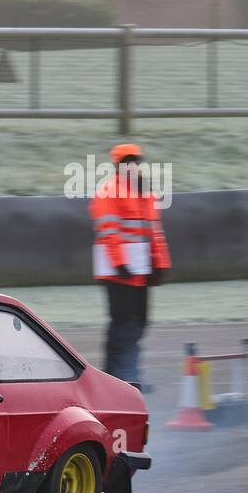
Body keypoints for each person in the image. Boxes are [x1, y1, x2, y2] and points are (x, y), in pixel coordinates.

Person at [89, 143, 171, 387]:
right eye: (127, 162)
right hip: (118, 274)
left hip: (139, 272)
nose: (132, 166)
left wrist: (160, 264)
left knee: (140, 322)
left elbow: (154, 232)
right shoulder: (108, 192)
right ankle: (116, 377)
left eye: (136, 162)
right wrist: (120, 263)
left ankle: (130, 373)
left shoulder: (146, 193)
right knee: (122, 323)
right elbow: (108, 232)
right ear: (118, 166)